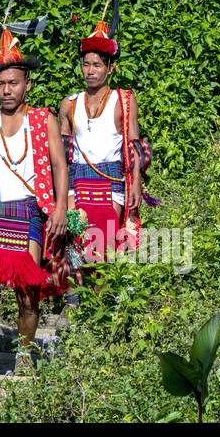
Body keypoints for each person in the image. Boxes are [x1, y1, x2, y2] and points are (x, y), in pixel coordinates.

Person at [0, 29, 68, 384]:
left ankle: (24, 352)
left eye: (14, 83)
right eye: (1, 83)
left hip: (26, 211)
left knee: (28, 292)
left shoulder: (43, 121)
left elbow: (60, 165)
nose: (6, 90)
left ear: (26, 86)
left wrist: (61, 208)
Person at [59, 21, 142, 266]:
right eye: (86, 64)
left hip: (110, 180)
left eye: (97, 65)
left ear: (110, 68)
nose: (90, 70)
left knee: (101, 249)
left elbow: (134, 145)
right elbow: (62, 155)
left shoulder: (123, 101)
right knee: (75, 244)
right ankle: (74, 301)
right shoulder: (69, 104)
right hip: (77, 180)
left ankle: (98, 301)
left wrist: (136, 182)